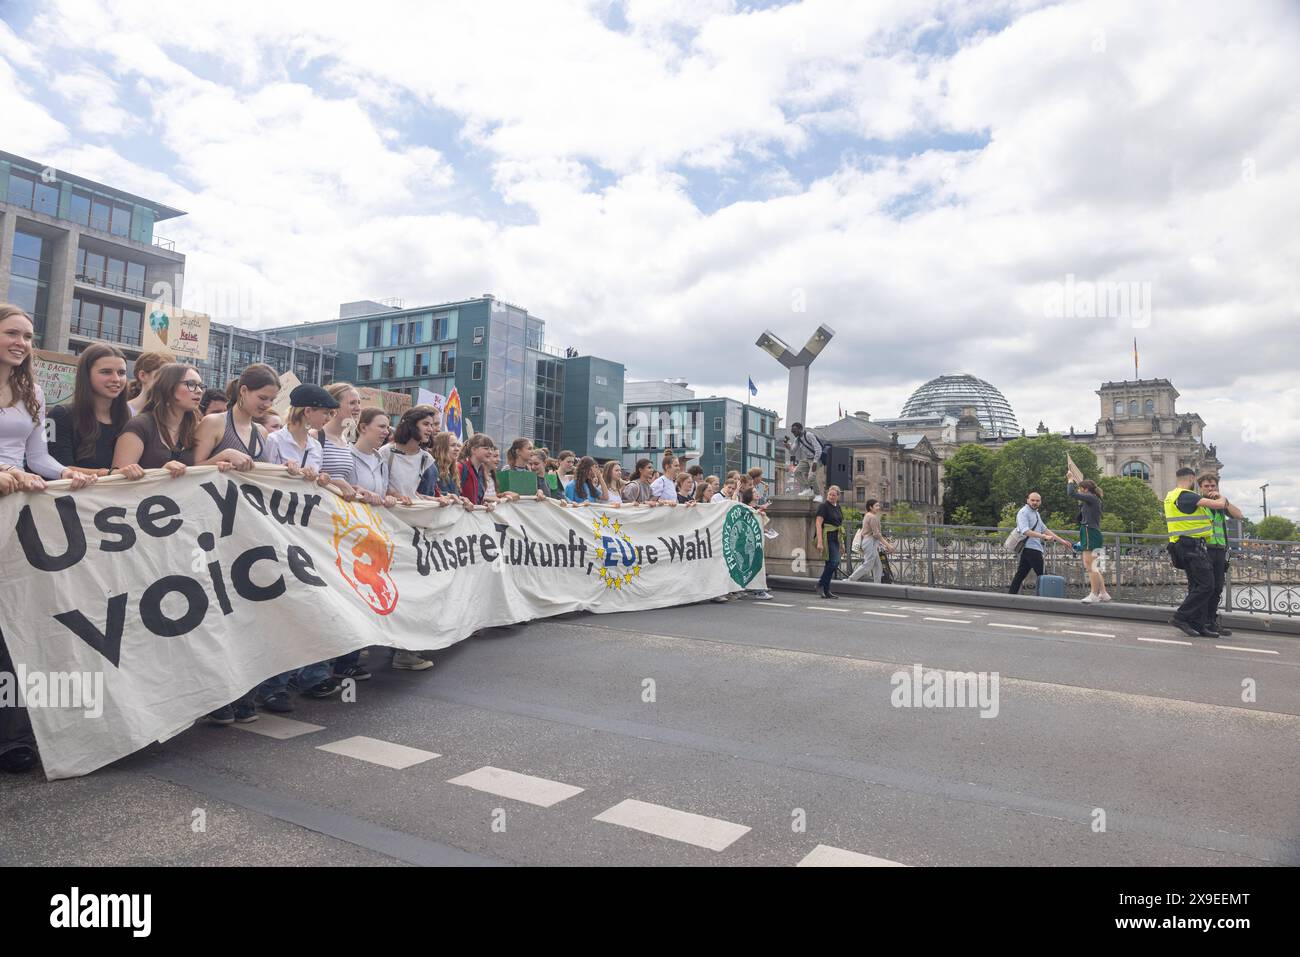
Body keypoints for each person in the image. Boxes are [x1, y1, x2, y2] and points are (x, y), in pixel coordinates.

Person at [1166, 467, 1236, 638]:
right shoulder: (1186, 495)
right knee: (1206, 586)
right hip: (1191, 546)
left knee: (1203, 586)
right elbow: (1219, 504)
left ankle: (1200, 625)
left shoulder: (1171, 496)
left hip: (1186, 545)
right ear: (1192, 478)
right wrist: (1223, 497)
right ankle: (1181, 617)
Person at [46, 343, 134, 474]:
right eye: (106, 372)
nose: (116, 379)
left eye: (121, 373)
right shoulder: (57, 415)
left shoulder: (127, 417)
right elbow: (53, 467)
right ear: (86, 374)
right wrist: (108, 474)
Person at [112, 362, 206, 477]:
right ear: (169, 387)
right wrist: (160, 474)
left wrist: (224, 457)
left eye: (201, 386)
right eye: (191, 384)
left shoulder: (196, 428)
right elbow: (117, 481)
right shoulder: (139, 426)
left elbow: (200, 470)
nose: (199, 391)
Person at [192, 363, 279, 471]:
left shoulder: (262, 432)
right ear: (243, 391)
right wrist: (225, 455)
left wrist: (287, 470)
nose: (268, 405)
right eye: (262, 398)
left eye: (272, 399)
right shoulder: (213, 423)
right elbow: (192, 470)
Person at [1198, 473, 1244, 637]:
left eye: (1213, 486)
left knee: (1217, 588)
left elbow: (1239, 515)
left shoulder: (1221, 504)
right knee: (1205, 587)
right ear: (1200, 488)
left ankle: (1211, 621)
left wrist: (1224, 501)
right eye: (1206, 486)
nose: (1210, 489)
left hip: (1220, 550)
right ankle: (1201, 622)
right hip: (1204, 550)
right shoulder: (1199, 503)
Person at [264, 384, 338, 475]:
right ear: (307, 411)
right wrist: (283, 469)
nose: (328, 418)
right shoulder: (274, 440)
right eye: (325, 413)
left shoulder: (317, 446)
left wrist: (320, 479)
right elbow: (264, 476)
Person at [1007, 491, 1072, 594]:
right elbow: (1025, 531)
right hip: (1031, 549)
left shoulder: (1036, 513)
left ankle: (1010, 596)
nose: (1035, 502)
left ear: (1040, 502)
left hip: (1032, 548)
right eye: (1032, 500)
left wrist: (1062, 541)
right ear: (1027, 500)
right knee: (1042, 575)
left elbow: (1045, 529)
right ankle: (1046, 598)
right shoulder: (1023, 512)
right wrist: (1043, 536)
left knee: (1020, 575)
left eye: (1037, 501)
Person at [1067, 476, 1111, 603]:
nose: (1079, 492)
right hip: (1091, 532)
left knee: (1090, 565)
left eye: (1080, 489)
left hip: (1089, 532)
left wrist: (1070, 479)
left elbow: (1071, 493)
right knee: (1093, 565)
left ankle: (1094, 594)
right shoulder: (1093, 499)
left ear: (1085, 490)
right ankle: (1103, 593)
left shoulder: (1091, 498)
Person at [383, 406, 438, 501]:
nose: (430, 429)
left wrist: (439, 499)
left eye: (431, 425)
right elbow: (377, 488)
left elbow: (413, 493)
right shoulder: (386, 452)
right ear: (411, 425)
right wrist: (395, 496)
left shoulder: (426, 458)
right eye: (426, 424)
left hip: (411, 513)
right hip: (387, 512)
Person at [350, 408, 397, 508]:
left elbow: (381, 497)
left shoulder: (381, 463)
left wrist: (388, 499)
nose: (387, 432)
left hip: (372, 522)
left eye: (387, 428)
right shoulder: (345, 455)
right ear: (363, 427)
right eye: (382, 427)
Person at [848, 499, 899, 583]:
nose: (878, 507)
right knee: (868, 564)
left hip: (869, 541)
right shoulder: (872, 517)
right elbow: (876, 534)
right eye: (876, 506)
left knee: (878, 566)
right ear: (870, 507)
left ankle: (877, 584)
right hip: (870, 542)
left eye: (879, 505)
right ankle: (850, 579)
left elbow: (875, 534)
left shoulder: (868, 515)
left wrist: (880, 544)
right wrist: (888, 545)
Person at [814, 484, 844, 598]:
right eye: (829, 495)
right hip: (828, 537)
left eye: (833, 495)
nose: (831, 497)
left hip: (836, 537)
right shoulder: (823, 506)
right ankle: (821, 584)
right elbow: (818, 523)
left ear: (838, 496)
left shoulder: (838, 506)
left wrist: (842, 544)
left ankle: (826, 590)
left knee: (830, 564)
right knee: (834, 562)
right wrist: (820, 541)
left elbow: (839, 524)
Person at [783, 422, 823, 500]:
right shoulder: (797, 439)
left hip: (816, 459)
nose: (793, 433)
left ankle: (818, 495)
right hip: (807, 459)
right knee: (796, 471)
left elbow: (818, 449)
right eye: (792, 432)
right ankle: (807, 488)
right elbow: (792, 451)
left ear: (800, 429)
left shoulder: (808, 435)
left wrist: (815, 462)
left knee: (811, 477)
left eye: (794, 431)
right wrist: (788, 447)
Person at [126, 350, 171, 414]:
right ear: (142, 376)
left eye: (171, 376)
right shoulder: (123, 411)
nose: (168, 381)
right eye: (163, 375)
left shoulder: (172, 413)